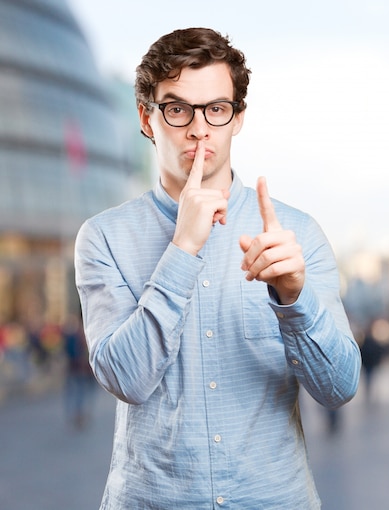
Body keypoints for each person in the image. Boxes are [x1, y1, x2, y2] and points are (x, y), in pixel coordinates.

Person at [74, 27, 361, 509]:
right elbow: (124, 378)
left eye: (216, 109)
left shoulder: (295, 234)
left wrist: (294, 299)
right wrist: (182, 249)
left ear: (237, 118)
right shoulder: (103, 237)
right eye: (177, 108)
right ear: (147, 118)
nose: (199, 128)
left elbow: (338, 389)